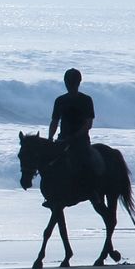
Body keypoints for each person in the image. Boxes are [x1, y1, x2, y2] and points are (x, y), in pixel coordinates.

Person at [45, 68, 100, 206]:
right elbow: (55, 121)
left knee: (85, 162)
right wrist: (50, 138)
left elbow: (88, 124)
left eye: (72, 82)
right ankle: (50, 194)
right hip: (62, 140)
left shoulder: (86, 100)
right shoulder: (60, 100)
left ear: (78, 83)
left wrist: (75, 136)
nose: (70, 84)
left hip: (81, 141)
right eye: (68, 82)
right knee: (49, 163)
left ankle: (92, 191)